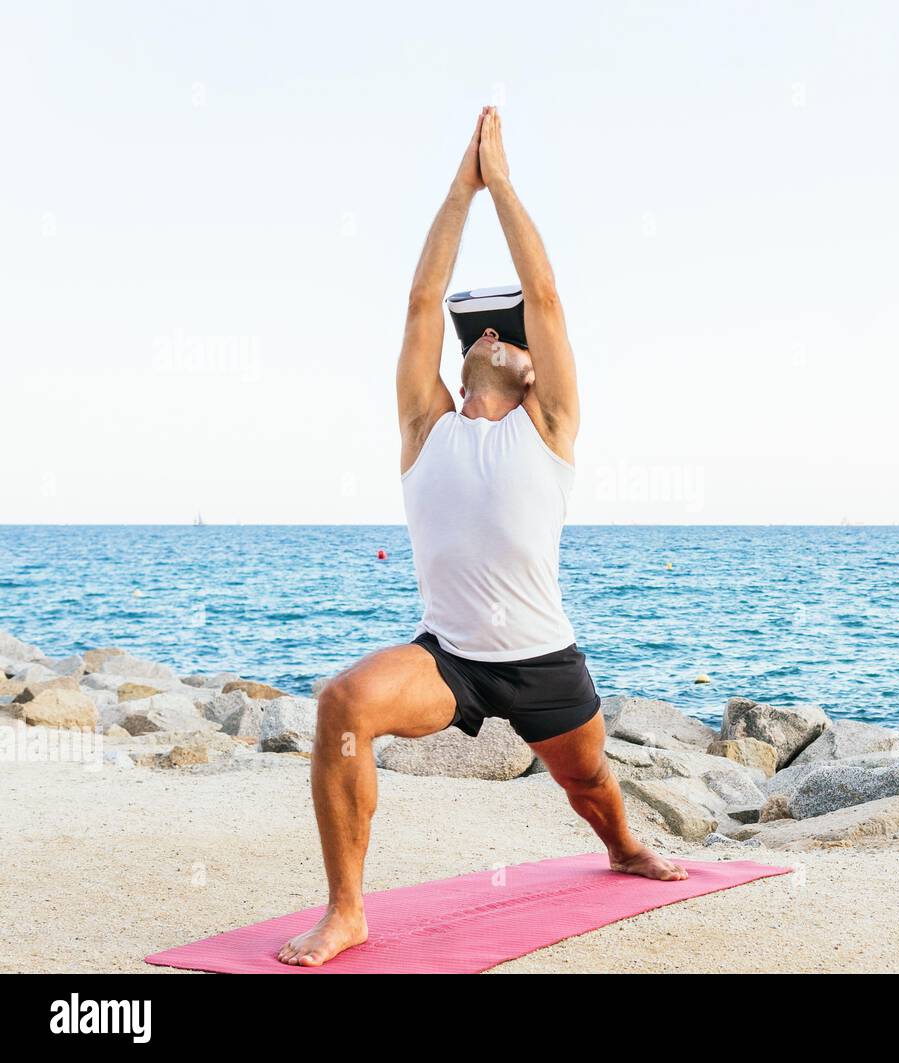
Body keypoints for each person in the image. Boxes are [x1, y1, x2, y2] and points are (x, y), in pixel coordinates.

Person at [277, 107, 686, 968]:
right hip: (450, 659)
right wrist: (458, 190)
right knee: (343, 704)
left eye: (528, 343)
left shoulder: (551, 425)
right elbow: (423, 299)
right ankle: (346, 909)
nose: (521, 344)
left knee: (586, 782)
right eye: (505, 337)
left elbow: (548, 298)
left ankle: (620, 844)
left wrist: (503, 182)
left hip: (544, 657)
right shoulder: (426, 425)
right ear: (483, 347)